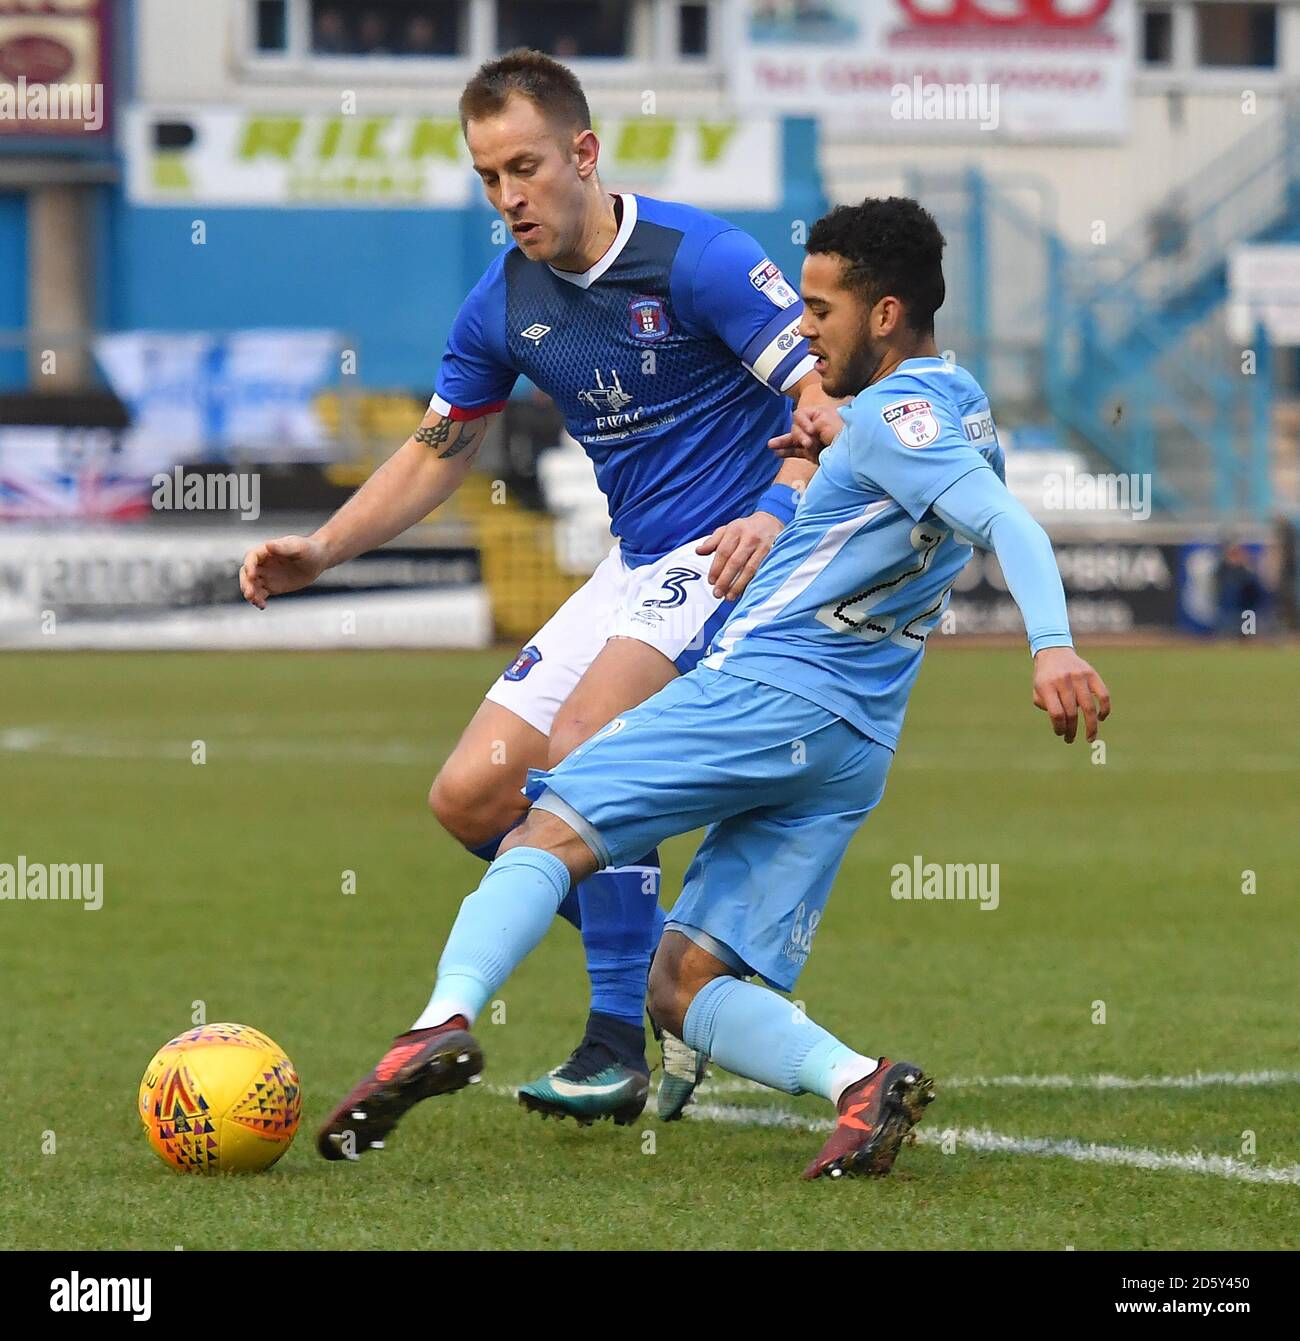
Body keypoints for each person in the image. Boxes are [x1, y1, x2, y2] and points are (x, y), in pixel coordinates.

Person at [303, 195, 1112, 1179]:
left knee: (548, 824)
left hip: (767, 695)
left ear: (886, 315)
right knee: (683, 982)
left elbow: (1008, 525)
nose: (802, 330)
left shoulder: (897, 415)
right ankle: (862, 1083)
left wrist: (1053, 646)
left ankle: (437, 1023)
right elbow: (903, 490)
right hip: (855, 738)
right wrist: (806, 484)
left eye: (820, 309)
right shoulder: (957, 401)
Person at [239, 49, 825, 1136]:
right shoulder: (502, 302)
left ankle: (613, 1042)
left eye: (524, 166)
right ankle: (673, 970)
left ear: (584, 153)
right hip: (636, 563)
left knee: (584, 756)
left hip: (732, 554)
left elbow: (823, 388)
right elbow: (435, 450)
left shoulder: (698, 258)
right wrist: (322, 550)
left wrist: (777, 508)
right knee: (469, 798)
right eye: (486, 176)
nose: (508, 197)